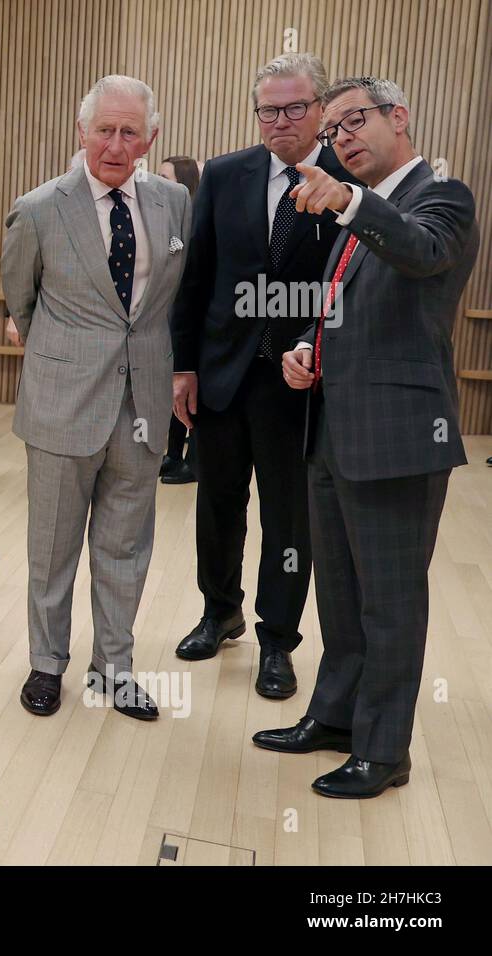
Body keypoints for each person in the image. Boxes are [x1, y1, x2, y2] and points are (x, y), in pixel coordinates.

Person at [255, 76, 479, 798]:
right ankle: (337, 718)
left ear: (400, 118)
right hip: (336, 430)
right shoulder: (359, 220)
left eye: (355, 121)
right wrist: (308, 352)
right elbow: (350, 313)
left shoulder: (442, 198)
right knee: (343, 598)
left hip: (400, 438)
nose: (343, 137)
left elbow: (420, 253)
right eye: (335, 130)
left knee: (390, 602)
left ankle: (384, 752)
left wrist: (349, 200)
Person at [170, 53, 358, 700]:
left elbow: (349, 286)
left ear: (321, 112)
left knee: (288, 519)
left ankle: (277, 640)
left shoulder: (346, 182)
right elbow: (197, 277)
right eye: (269, 110)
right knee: (217, 505)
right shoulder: (225, 175)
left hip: (299, 381)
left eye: (295, 108)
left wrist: (316, 350)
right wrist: (183, 366)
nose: (281, 120)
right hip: (223, 374)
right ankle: (218, 612)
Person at [2, 75, 191, 720]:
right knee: (52, 545)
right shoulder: (38, 209)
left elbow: (174, 301)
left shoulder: (174, 205)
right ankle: (46, 664)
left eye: (129, 132)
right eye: (104, 129)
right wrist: (65, 359)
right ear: (81, 132)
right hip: (61, 404)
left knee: (125, 547)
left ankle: (114, 668)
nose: (115, 143)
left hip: (142, 405)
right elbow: (21, 305)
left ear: (151, 139)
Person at [156, 155, 200, 484]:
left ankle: (192, 459)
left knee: (189, 389)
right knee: (168, 391)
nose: (158, 182)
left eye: (165, 176)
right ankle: (171, 454)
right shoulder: (162, 216)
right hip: (165, 315)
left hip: (189, 318)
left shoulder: (194, 218)